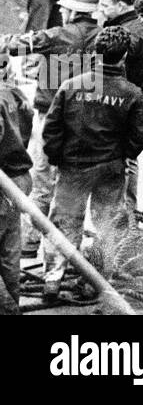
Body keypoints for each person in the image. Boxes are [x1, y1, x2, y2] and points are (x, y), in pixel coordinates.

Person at [40, 25, 143, 299]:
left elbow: (51, 130)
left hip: (73, 167)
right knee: (108, 223)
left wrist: (57, 158)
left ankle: (53, 278)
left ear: (96, 53)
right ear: (123, 57)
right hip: (110, 168)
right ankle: (96, 281)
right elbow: (140, 136)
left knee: (63, 221)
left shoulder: (71, 86)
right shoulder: (132, 93)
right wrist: (123, 155)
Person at [1, 0, 101, 259]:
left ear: (71, 11)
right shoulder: (102, 36)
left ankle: (30, 241)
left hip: (51, 116)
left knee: (41, 180)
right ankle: (66, 249)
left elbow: (14, 46)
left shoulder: (58, 35)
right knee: (72, 188)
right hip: (87, 118)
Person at [101, 0, 143, 215]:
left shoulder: (126, 36)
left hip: (127, 103)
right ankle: (130, 209)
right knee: (131, 160)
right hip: (142, 95)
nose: (102, 10)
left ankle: (125, 212)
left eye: (105, 5)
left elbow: (116, 71)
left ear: (120, 5)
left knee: (125, 161)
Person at [0, 52, 34, 315]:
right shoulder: (15, 93)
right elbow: (27, 124)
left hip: (4, 183)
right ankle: (11, 305)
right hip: (20, 176)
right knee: (10, 249)